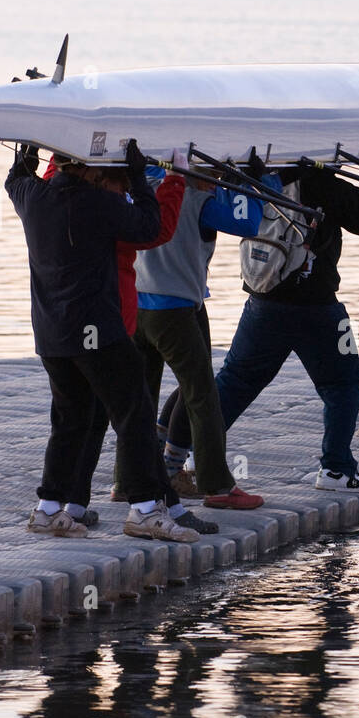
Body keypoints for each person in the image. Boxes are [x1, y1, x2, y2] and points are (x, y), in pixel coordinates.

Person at [4, 140, 197, 542]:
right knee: (134, 414)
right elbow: (148, 225)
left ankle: (48, 508)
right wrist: (142, 177)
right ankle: (144, 509)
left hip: (52, 334)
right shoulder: (95, 202)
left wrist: (27, 151)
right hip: (97, 331)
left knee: (70, 420)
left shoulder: (33, 197)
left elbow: (14, 179)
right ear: (90, 170)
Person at [212, 147, 359, 492]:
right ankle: (336, 469)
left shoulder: (261, 178)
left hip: (263, 297)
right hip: (317, 305)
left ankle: (192, 452)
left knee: (235, 381)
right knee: (342, 383)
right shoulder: (325, 183)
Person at [134, 154, 266, 510]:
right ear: (201, 175)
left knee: (139, 399)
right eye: (216, 175)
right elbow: (250, 222)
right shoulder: (198, 201)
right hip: (172, 308)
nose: (218, 182)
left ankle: (130, 482)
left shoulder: (146, 182)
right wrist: (259, 182)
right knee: (203, 396)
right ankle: (217, 486)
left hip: (136, 304)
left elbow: (151, 166)